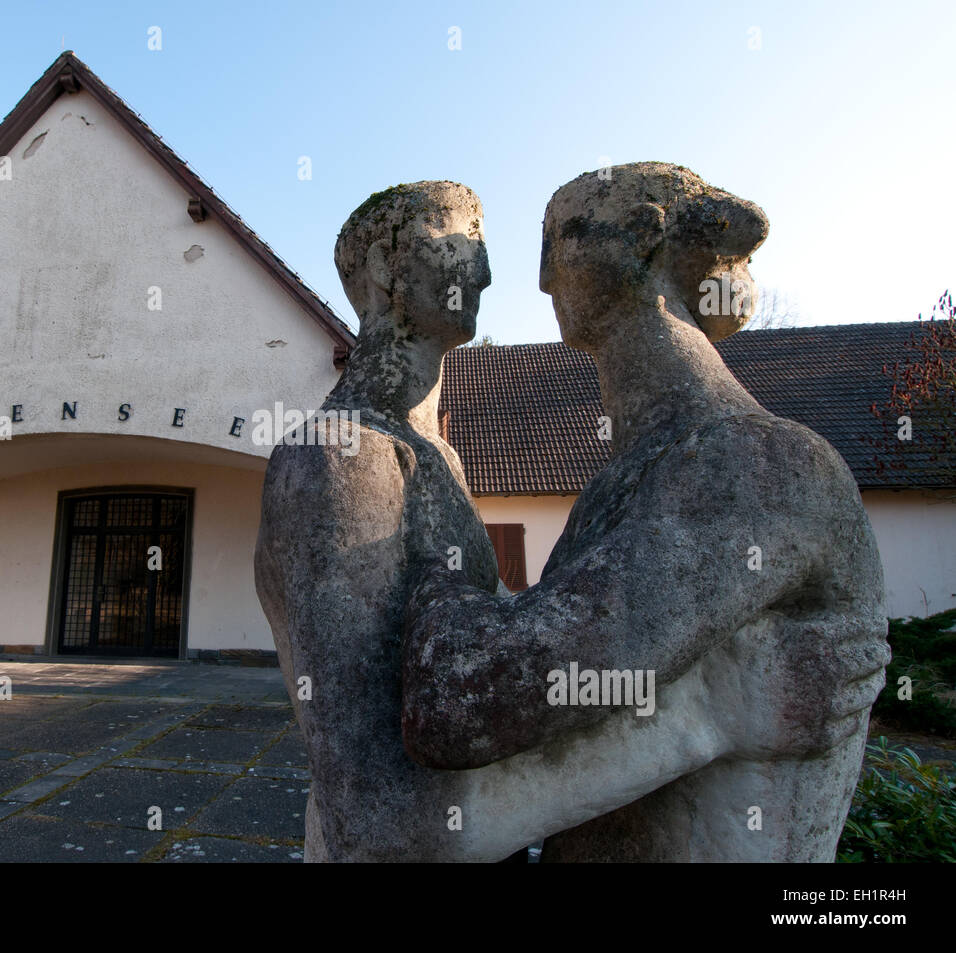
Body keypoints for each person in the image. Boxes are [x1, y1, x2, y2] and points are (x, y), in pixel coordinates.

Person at [254, 179, 881, 862]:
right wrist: (714, 705)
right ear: (380, 266)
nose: (492, 271)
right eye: (454, 236)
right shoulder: (342, 458)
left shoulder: (441, 464)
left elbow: (516, 676)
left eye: (485, 242)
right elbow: (380, 827)